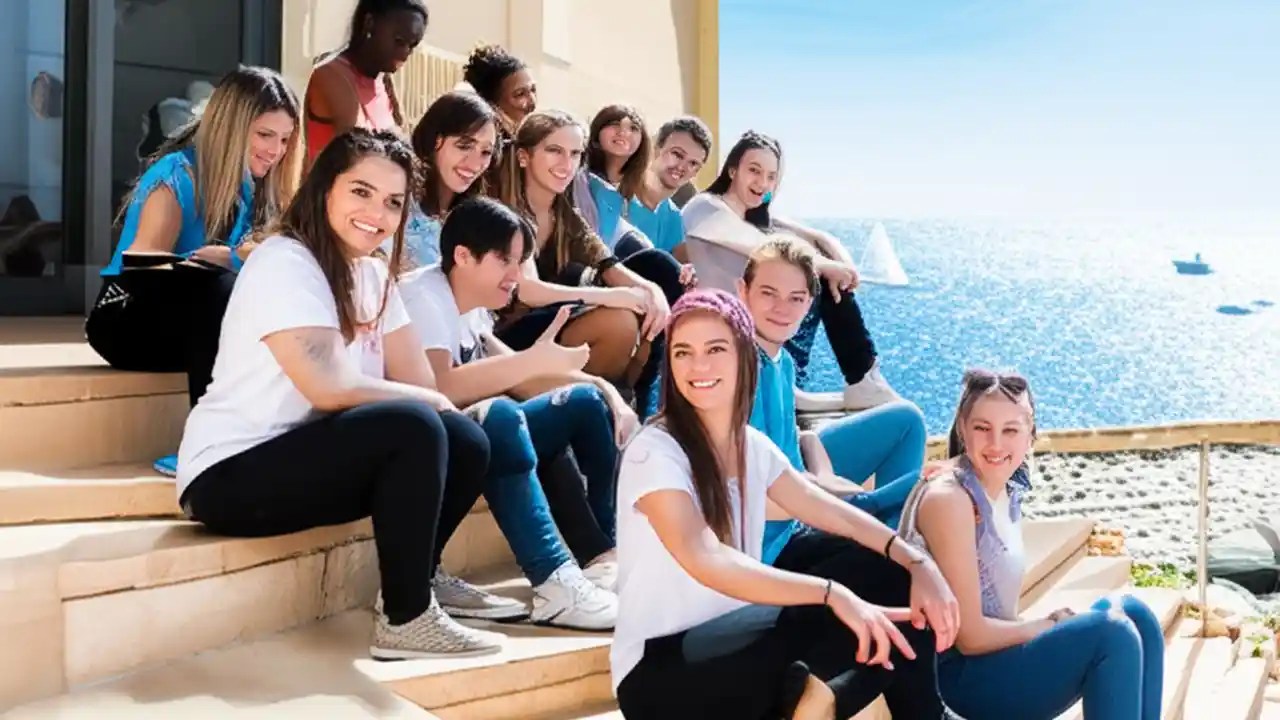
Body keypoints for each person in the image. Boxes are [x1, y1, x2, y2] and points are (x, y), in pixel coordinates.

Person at [176, 128, 503, 658]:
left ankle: (423, 578)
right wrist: (430, 404)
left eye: (394, 202)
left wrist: (443, 402)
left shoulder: (374, 275)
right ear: (325, 187)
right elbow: (328, 387)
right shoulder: (285, 262)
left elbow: (421, 383)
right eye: (361, 191)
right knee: (416, 424)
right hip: (230, 472)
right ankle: (406, 620)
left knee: (464, 438)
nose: (377, 212)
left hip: (309, 455)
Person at [612, 288, 962, 720]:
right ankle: (816, 700)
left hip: (734, 646)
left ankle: (904, 712)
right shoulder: (655, 451)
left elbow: (828, 511)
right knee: (841, 617)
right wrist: (832, 593)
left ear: (744, 355)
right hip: (660, 674)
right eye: (683, 352)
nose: (698, 365)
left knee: (893, 586)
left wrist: (916, 563)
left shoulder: (750, 447)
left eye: (715, 349)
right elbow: (706, 559)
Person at [400, 196, 633, 629]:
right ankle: (554, 583)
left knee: (581, 404)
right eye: (505, 260)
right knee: (502, 416)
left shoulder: (473, 309)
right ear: (463, 256)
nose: (517, 275)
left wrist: (607, 393)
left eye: (521, 261)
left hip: (471, 441)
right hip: (427, 448)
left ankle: (604, 558)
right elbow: (437, 386)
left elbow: (523, 376)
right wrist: (534, 361)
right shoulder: (422, 296)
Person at [899, 370, 1164, 719]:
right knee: (1111, 634)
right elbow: (969, 637)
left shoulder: (1006, 490)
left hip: (995, 658)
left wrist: (1043, 627)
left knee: (1135, 613)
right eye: (982, 428)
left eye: (1010, 430)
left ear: (1030, 436)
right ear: (962, 428)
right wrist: (1044, 625)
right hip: (958, 679)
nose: (995, 444)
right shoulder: (951, 500)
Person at [87, 66, 303, 477]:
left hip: (195, 324)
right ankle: (206, 448)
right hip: (123, 319)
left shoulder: (257, 186)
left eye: (285, 138)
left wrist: (231, 258)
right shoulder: (176, 176)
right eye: (264, 135)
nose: (276, 150)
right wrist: (220, 261)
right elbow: (141, 268)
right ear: (231, 126)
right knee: (216, 286)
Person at [737, 237, 928, 566]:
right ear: (743, 292)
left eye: (795, 298)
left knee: (906, 422)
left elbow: (800, 437)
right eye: (768, 294)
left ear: (810, 302)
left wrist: (824, 474)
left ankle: (887, 528)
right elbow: (763, 480)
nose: (782, 308)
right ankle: (885, 534)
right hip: (772, 528)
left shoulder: (779, 361)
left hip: (800, 486)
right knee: (925, 485)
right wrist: (838, 494)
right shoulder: (740, 366)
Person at [681, 130, 898, 411]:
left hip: (757, 327)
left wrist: (842, 267)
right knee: (806, 274)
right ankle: (859, 379)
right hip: (724, 326)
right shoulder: (704, 207)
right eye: (754, 171)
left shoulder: (757, 217)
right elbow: (761, 247)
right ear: (733, 170)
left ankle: (861, 379)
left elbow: (819, 238)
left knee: (815, 276)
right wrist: (825, 267)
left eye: (771, 177)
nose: (762, 182)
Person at [496, 109, 671, 399]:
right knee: (619, 323)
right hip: (503, 336)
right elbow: (528, 290)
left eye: (575, 154)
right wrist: (611, 297)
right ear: (524, 156)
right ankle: (576, 413)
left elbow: (611, 267)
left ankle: (634, 412)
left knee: (648, 316)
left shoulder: (565, 216)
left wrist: (653, 293)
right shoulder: (506, 212)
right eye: (555, 151)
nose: (567, 164)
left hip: (547, 323)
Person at [303, 0, 425, 162]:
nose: (405, 52)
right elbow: (360, 153)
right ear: (369, 23)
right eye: (399, 41)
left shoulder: (384, 80)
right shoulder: (331, 75)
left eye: (412, 45)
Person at [394, 89, 499, 270]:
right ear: (436, 140)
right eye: (464, 146)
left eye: (485, 152)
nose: (475, 164)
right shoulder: (397, 200)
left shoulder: (475, 217)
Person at [629, 115, 712, 255]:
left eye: (693, 163)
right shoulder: (617, 193)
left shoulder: (674, 219)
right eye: (677, 154)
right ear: (656, 148)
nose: (682, 167)